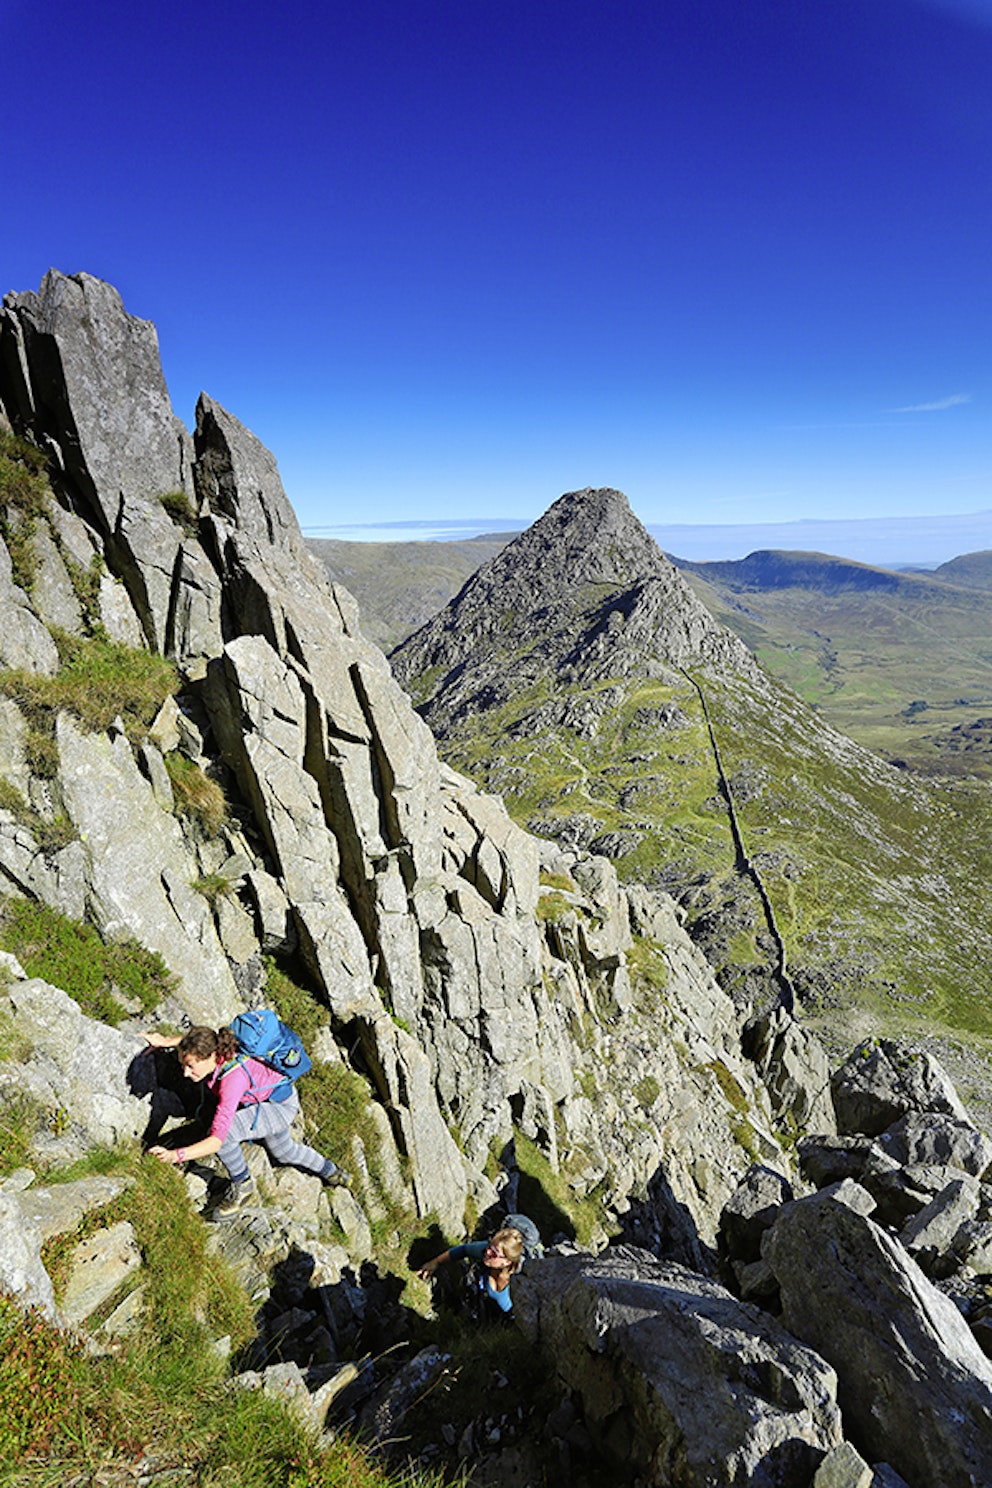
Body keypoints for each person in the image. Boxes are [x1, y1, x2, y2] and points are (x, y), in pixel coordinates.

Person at [140, 1025, 350, 1216]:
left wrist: (176, 1156)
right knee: (285, 1153)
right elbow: (195, 1039)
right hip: (275, 1096)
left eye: (191, 1066)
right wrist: (167, 1041)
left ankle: (243, 1184)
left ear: (210, 1056)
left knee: (229, 1133)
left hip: (278, 1107)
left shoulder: (232, 1081)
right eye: (183, 1064)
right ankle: (334, 1173)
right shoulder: (218, 1044)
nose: (186, 1073)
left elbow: (217, 1141)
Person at [416, 1227, 524, 1317]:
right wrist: (435, 1262)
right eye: (489, 1245)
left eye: (494, 1253)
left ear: (506, 1262)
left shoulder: (519, 1285)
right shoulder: (485, 1253)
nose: (488, 1251)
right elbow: (463, 1250)